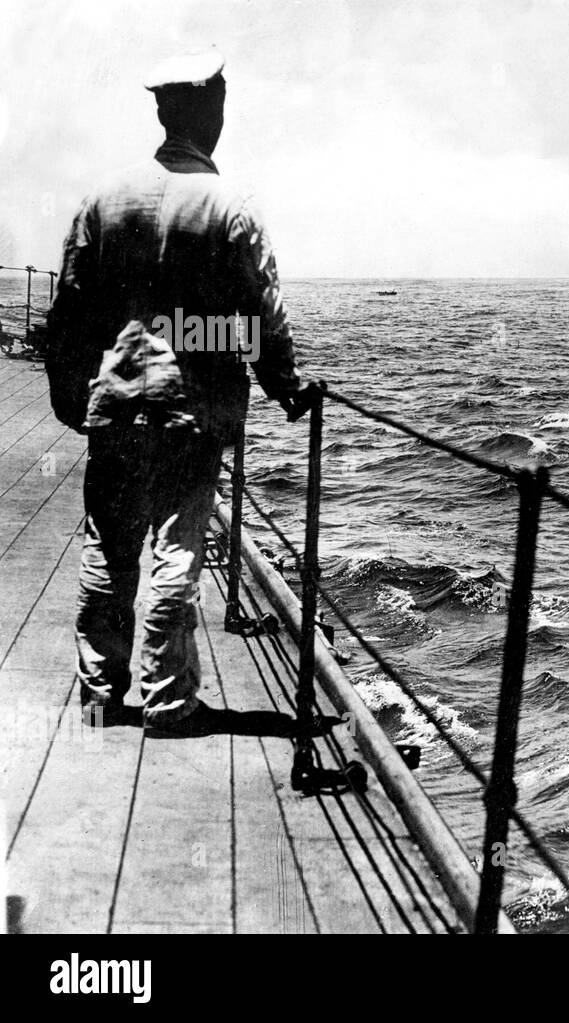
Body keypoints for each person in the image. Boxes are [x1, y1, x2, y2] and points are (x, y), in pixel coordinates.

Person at [46, 48, 320, 735]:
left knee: (107, 549)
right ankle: (168, 700)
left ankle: (99, 693)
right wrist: (285, 387)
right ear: (213, 112)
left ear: (163, 110)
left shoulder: (104, 199)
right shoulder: (230, 206)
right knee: (176, 551)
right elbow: (261, 315)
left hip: (115, 401)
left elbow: (70, 309)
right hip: (191, 410)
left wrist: (68, 391)